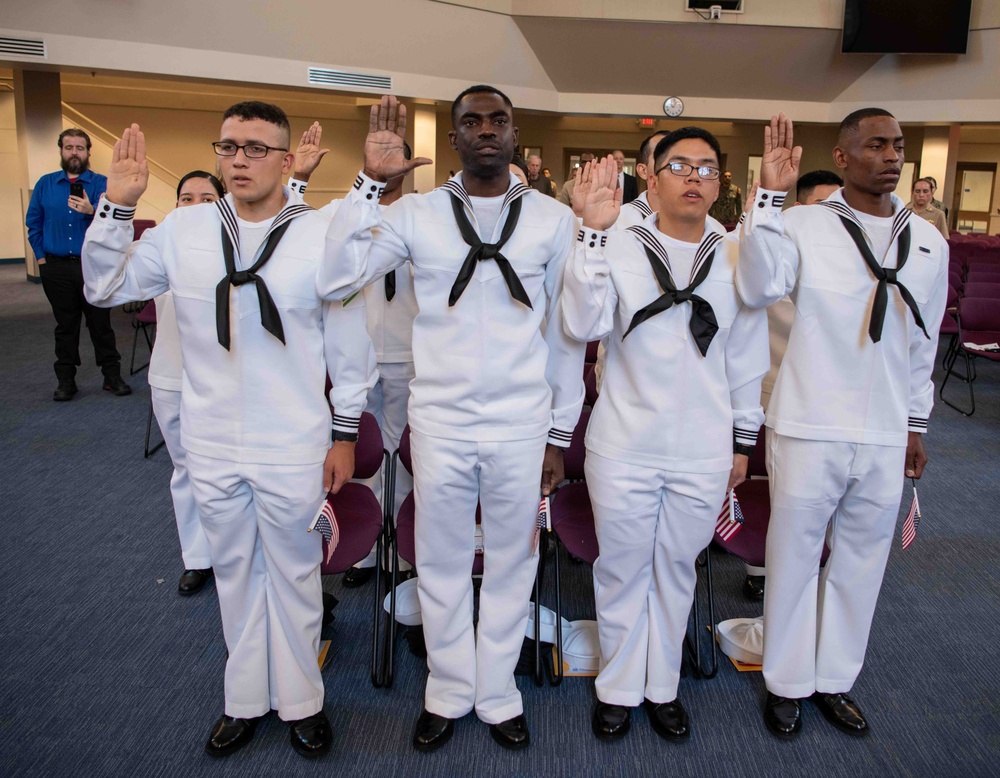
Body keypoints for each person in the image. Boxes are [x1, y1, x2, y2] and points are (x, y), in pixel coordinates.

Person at [82, 102, 377, 759]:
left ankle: (302, 702)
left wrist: (345, 431)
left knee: (296, 575)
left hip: (292, 439)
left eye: (255, 148)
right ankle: (244, 699)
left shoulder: (319, 236)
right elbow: (104, 287)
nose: (239, 159)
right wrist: (117, 209)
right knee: (236, 575)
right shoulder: (183, 231)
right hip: (212, 438)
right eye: (229, 146)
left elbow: (348, 344)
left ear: (285, 159)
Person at [322, 89, 584, 752]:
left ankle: (497, 693)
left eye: (498, 120)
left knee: (512, 559)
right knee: (438, 560)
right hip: (440, 417)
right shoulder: (415, 213)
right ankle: (445, 689)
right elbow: (336, 277)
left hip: (522, 421)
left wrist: (559, 430)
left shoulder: (554, 220)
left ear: (515, 132)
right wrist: (367, 186)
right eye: (472, 121)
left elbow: (565, 334)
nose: (487, 131)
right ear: (456, 137)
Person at [738, 110, 947, 739]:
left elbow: (922, 343)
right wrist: (771, 197)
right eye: (876, 144)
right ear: (844, 154)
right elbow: (757, 284)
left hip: (885, 429)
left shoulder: (930, 243)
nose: (891, 156)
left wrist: (917, 424)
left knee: (861, 562)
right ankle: (785, 682)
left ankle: (832, 679)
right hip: (809, 419)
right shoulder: (803, 223)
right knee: (795, 556)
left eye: (899, 146)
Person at [563, 134, 768, 743]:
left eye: (707, 168)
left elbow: (747, 360)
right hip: (625, 440)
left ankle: (662, 686)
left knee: (678, 568)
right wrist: (592, 235)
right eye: (679, 165)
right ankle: (619, 688)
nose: (693, 177)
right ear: (651, 180)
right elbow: (583, 324)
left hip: (702, 446)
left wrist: (742, 443)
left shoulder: (735, 254)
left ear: (720, 182)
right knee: (623, 568)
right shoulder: (619, 240)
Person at [287, 122, 418, 586]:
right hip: (352, 353)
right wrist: (295, 180)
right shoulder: (340, 211)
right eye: (381, 152)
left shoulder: (421, 215)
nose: (389, 160)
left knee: (402, 451)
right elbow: (289, 231)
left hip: (406, 350)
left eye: (397, 153)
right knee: (358, 449)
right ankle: (363, 550)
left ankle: (399, 551)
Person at [742, 169, 843, 602]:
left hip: (823, 398)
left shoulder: (844, 255)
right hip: (767, 387)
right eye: (824, 206)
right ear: (799, 207)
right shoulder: (772, 244)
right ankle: (758, 566)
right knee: (772, 490)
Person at [148, 170, 226, 596]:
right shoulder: (163, 244)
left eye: (207, 197)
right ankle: (198, 557)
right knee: (186, 470)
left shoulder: (239, 250)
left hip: (223, 380)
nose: (195, 205)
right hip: (172, 375)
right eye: (186, 197)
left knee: (227, 471)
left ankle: (233, 550)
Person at [25, 128, 131, 401]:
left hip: (93, 268)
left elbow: (116, 223)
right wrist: (41, 260)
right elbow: (33, 225)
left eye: (80, 148)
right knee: (65, 326)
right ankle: (66, 381)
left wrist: (92, 211)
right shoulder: (45, 184)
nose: (74, 152)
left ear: (88, 152)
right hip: (56, 268)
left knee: (101, 324)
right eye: (69, 147)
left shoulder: (102, 184)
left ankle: (111, 376)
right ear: (61, 151)